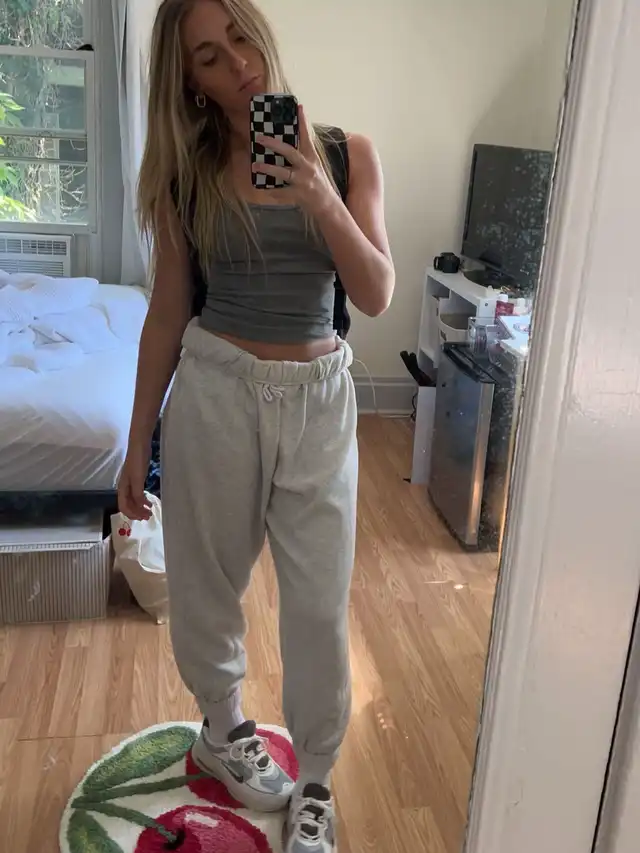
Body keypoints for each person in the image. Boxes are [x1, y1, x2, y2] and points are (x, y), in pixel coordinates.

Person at [118, 0, 394, 849]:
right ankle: (222, 727)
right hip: (217, 391)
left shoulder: (347, 154)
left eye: (239, 35)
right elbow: (168, 311)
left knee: (318, 603)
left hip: (318, 400)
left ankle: (316, 778)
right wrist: (136, 441)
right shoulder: (186, 174)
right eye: (208, 56)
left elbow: (376, 291)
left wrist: (317, 192)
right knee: (205, 585)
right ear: (190, 83)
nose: (236, 63)